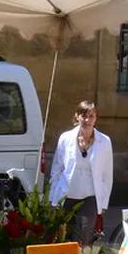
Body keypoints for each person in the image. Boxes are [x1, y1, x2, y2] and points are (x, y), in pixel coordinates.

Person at [47, 100, 112, 245]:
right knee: (64, 235)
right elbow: (57, 169)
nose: (87, 120)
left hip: (90, 196)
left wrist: (103, 203)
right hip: (67, 194)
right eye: (83, 115)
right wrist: (53, 197)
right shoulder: (65, 138)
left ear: (96, 118)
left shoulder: (105, 141)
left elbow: (107, 175)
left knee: (84, 236)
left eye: (91, 116)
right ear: (77, 117)